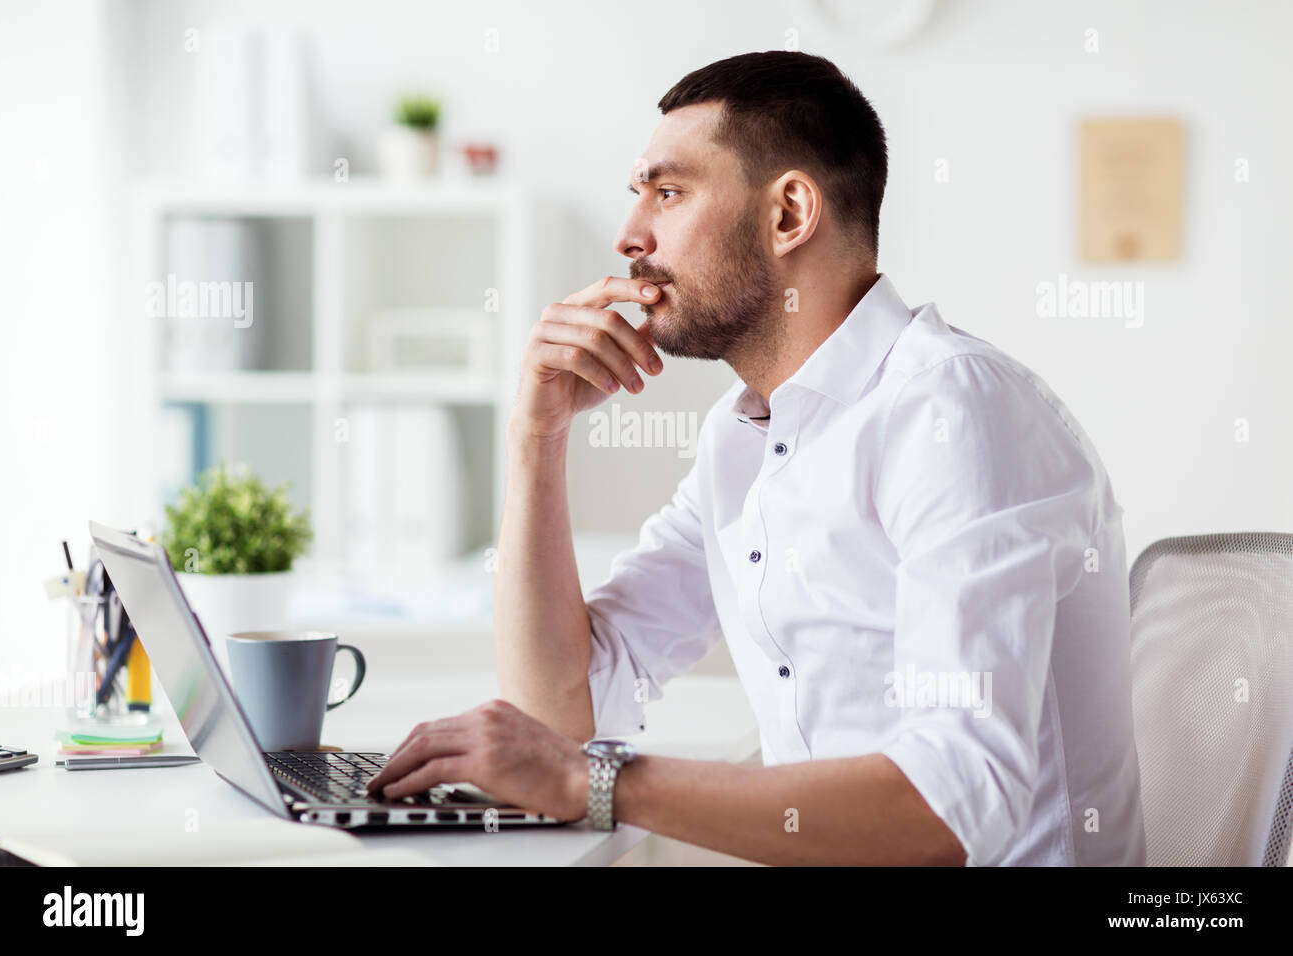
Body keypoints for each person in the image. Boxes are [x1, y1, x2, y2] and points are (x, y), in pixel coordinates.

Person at [367, 50, 1146, 867]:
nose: (629, 235)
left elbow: (952, 807)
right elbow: (562, 716)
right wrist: (537, 438)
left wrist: (596, 782)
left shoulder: (953, 413)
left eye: (667, 192)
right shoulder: (743, 439)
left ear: (788, 215)